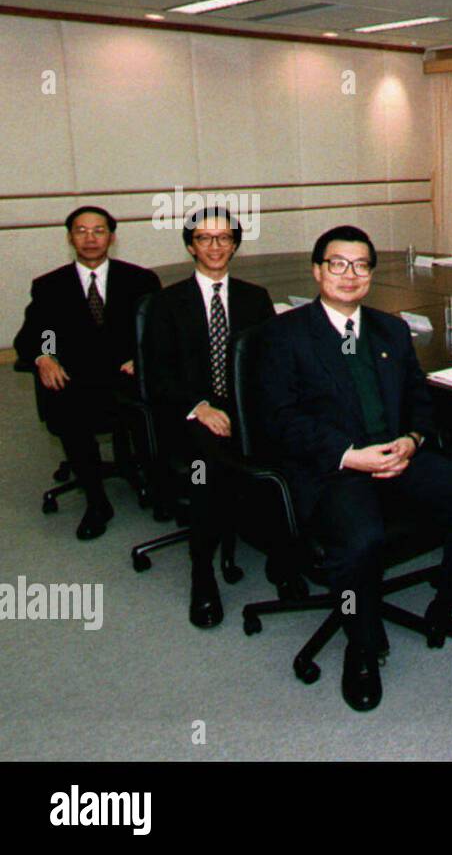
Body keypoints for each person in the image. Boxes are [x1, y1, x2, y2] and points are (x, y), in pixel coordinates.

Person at [257, 226, 452, 713]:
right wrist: (350, 455)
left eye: (361, 265)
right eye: (337, 264)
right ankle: (363, 647)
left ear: (371, 273)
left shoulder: (390, 329)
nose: (350, 275)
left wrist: (412, 441)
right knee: (362, 539)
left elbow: (419, 400)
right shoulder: (283, 335)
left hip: (397, 458)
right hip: (334, 468)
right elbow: (279, 421)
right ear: (317, 271)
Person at [144, 206, 275, 629]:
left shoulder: (255, 298)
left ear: (234, 245)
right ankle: (202, 570)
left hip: (246, 411)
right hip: (191, 414)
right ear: (190, 247)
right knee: (205, 469)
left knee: (294, 447)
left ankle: (286, 554)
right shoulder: (165, 304)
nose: (215, 246)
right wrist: (200, 407)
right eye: (204, 238)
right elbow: (157, 374)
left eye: (223, 238)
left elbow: (270, 363)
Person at [14, 206, 161, 540]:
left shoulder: (141, 280)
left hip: (126, 375)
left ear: (111, 236)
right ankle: (96, 502)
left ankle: (157, 484)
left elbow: (158, 331)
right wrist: (45, 357)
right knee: (69, 410)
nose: (90, 238)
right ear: (70, 237)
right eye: (81, 231)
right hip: (74, 379)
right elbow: (37, 334)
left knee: (159, 399)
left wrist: (142, 355)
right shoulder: (49, 286)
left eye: (98, 230)